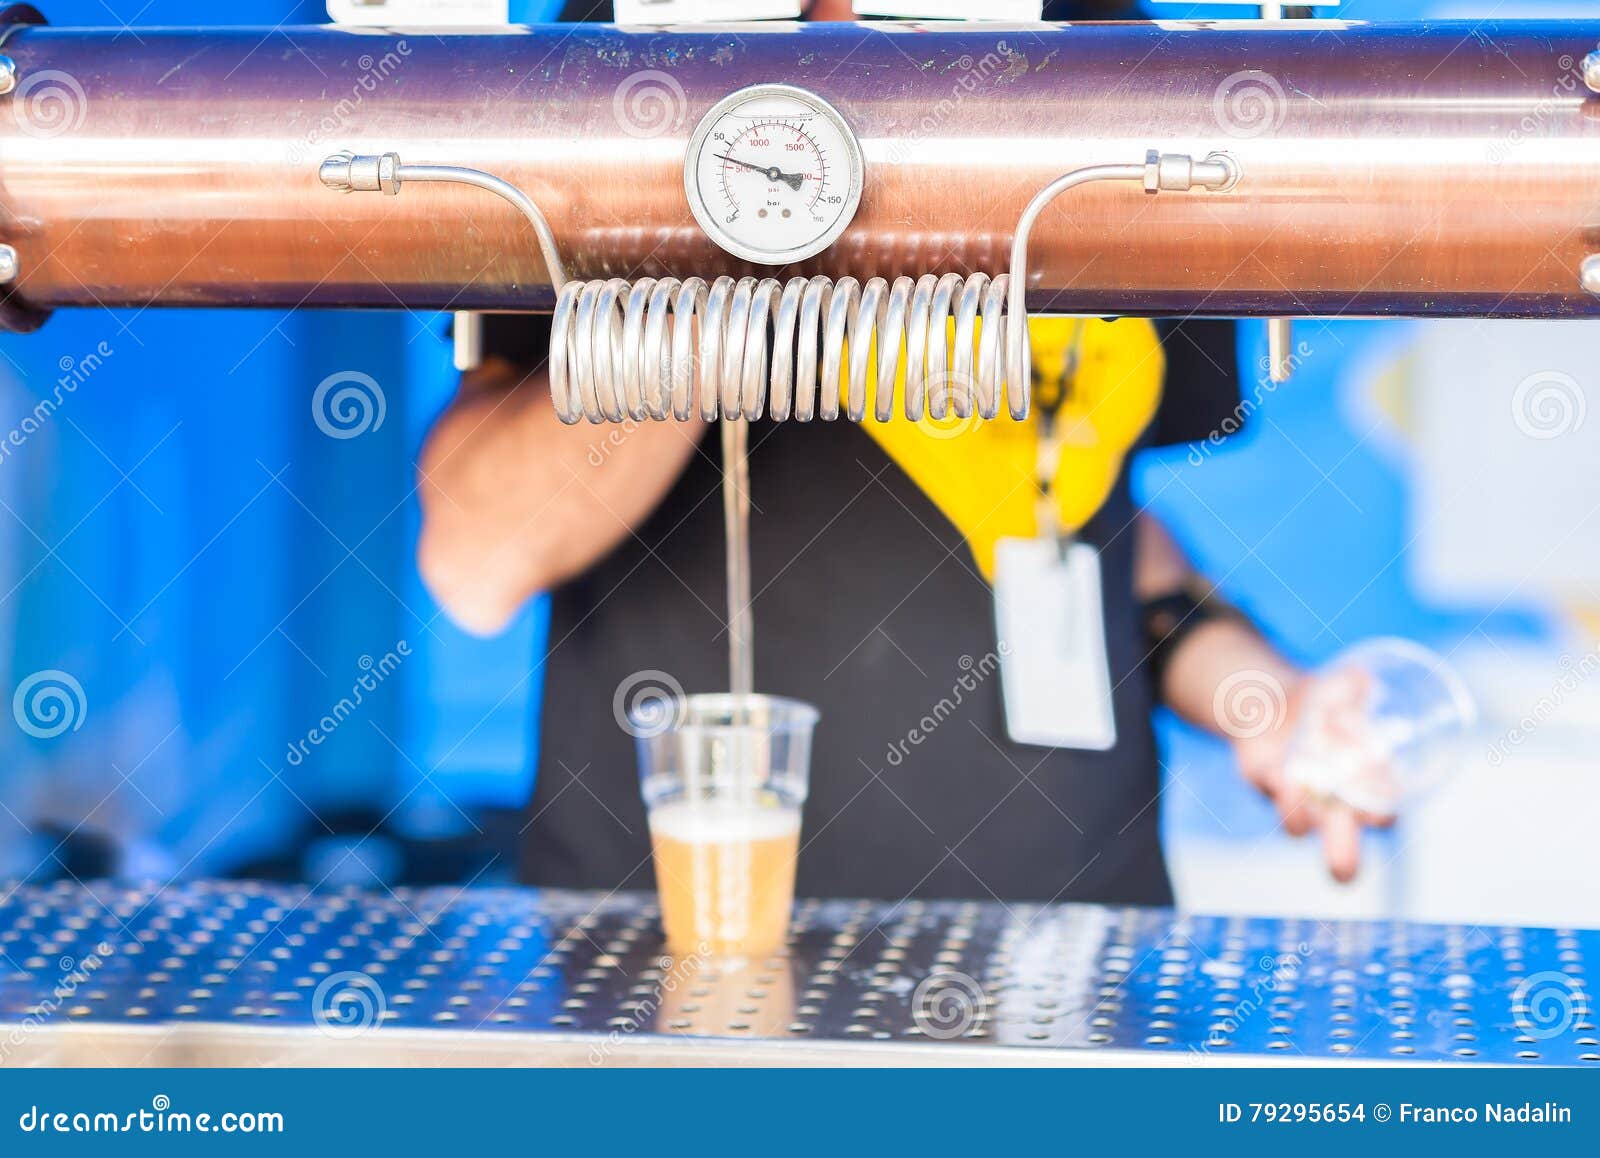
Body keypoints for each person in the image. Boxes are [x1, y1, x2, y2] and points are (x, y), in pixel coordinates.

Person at [417, 0, 1384, 905]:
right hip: (676, 971)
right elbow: (480, 559)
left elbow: (1100, 534)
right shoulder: (640, 44)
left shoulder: (1116, 58)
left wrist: (1266, 698)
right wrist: (743, 209)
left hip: (1074, 959)